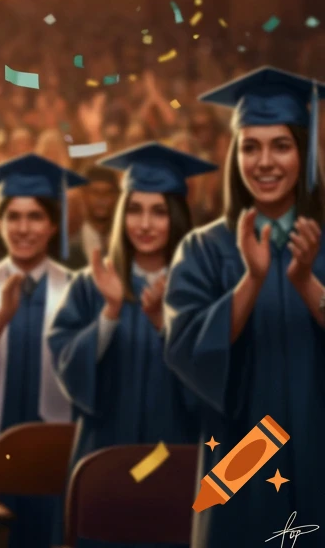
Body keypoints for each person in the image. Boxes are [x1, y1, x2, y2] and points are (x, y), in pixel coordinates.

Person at [163, 68, 325, 548]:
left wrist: (303, 280)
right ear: (235, 156)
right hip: (241, 454)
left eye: (281, 145)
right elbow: (185, 349)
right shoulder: (204, 249)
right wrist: (251, 282)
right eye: (250, 147)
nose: (265, 161)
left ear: (304, 152)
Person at [47, 144, 213, 548]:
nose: (145, 223)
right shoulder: (93, 283)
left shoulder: (197, 287)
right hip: (105, 445)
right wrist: (111, 311)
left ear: (176, 216)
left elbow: (213, 376)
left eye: (158, 211)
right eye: (135, 209)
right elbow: (66, 362)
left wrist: (164, 325)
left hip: (173, 447)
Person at [0, 154, 85, 548]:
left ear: (53, 224)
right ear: (0, 223)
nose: (23, 229)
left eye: (35, 217)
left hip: (58, 457)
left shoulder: (78, 290)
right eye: (13, 217)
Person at [68, 166, 119, 269]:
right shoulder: (68, 247)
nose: (101, 198)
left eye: (108, 192)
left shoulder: (126, 244)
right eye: (95, 192)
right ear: (84, 195)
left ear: (117, 196)